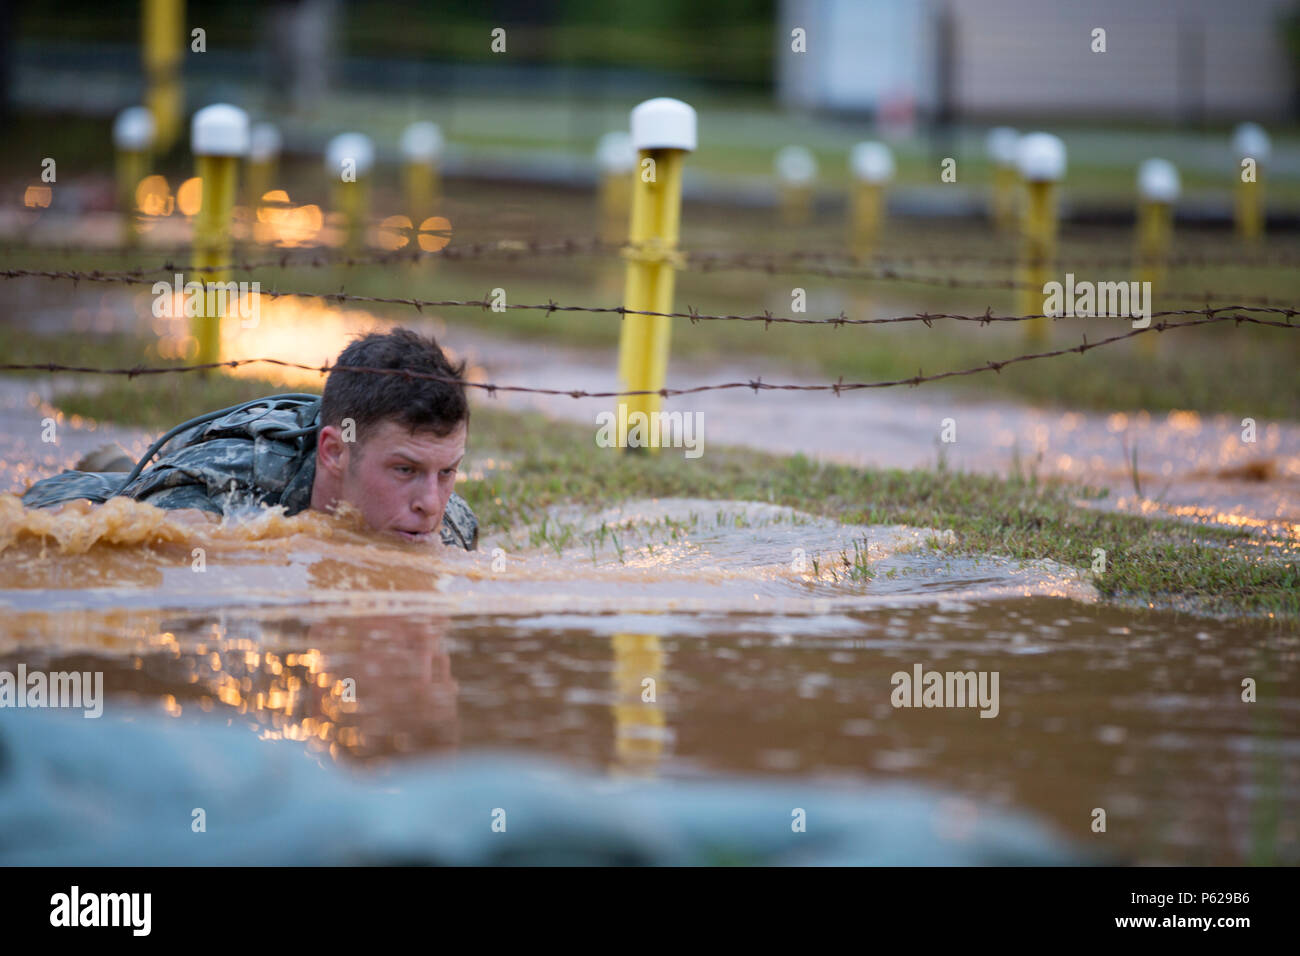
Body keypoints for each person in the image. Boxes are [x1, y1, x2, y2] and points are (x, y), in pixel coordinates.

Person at [21, 327, 478, 550]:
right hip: (173, 474)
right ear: (335, 453)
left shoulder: (453, 525)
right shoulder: (223, 486)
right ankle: (112, 465)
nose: (431, 504)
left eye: (448, 472)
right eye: (405, 470)